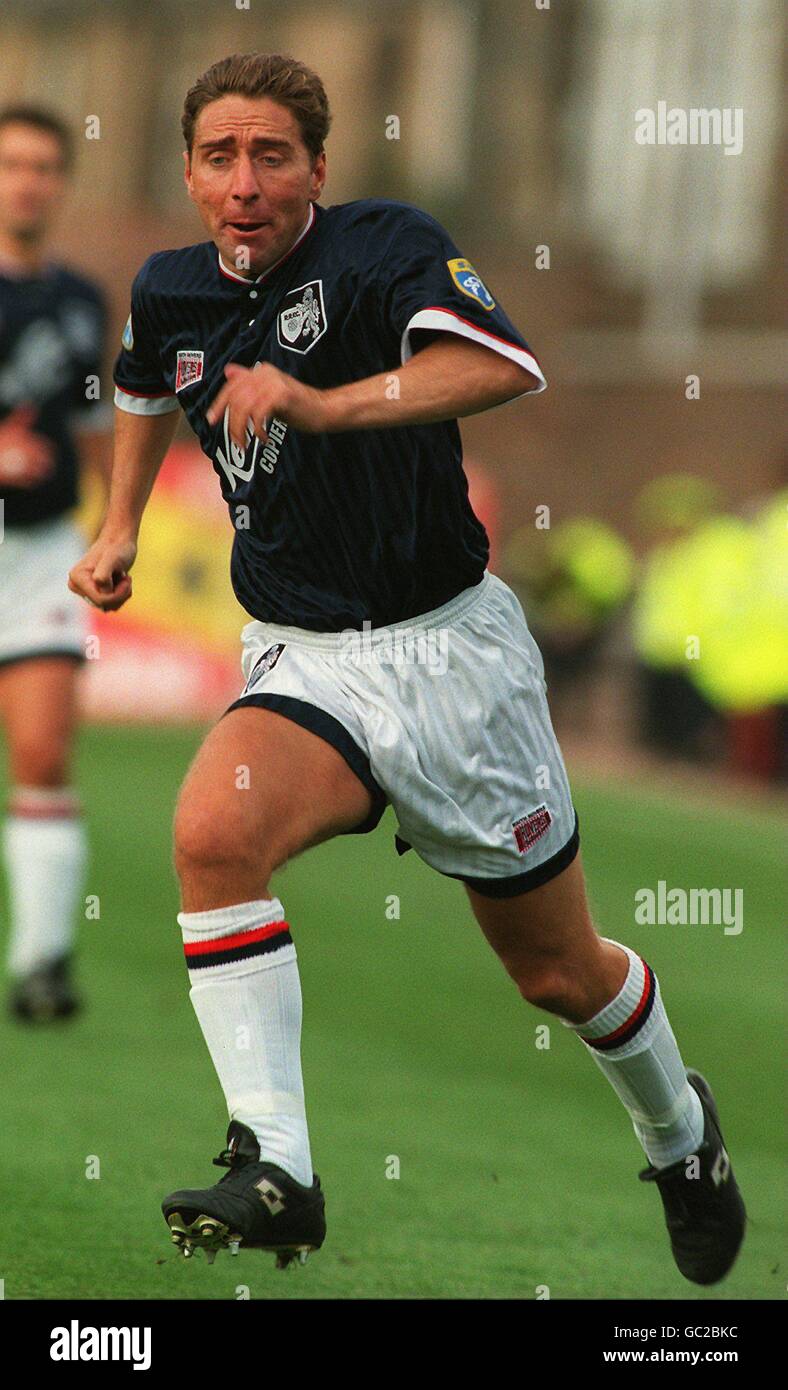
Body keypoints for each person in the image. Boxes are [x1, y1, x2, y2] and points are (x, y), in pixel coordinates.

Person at [69, 52, 745, 1283]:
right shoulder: (170, 290)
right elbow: (135, 380)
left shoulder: (385, 248)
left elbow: (499, 365)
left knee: (557, 970)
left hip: (451, 662)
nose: (244, 179)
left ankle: (679, 1135)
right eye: (219, 155)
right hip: (304, 658)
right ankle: (277, 1165)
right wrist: (115, 529)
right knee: (212, 834)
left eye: (271, 153)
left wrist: (322, 404)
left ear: (317, 168)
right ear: (186, 170)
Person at [0, 105, 109, 1021]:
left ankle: (41, 966)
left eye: (43, 165)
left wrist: (120, 527)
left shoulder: (81, 300)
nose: (28, 180)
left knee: (40, 751)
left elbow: (100, 426)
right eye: (11, 164)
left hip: (41, 552)